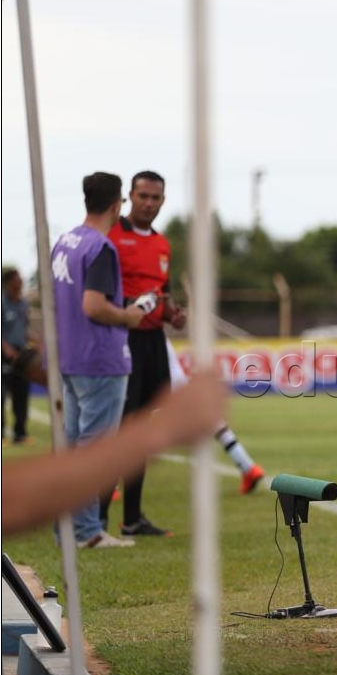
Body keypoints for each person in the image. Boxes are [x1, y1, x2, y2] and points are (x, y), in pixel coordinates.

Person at [51, 171, 148, 549]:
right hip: (99, 359)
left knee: (73, 444)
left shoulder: (66, 241)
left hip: (71, 357)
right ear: (116, 204)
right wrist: (129, 316)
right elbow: (93, 305)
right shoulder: (100, 247)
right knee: (94, 449)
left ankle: (67, 528)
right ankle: (88, 531)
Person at [2, 372, 226, 536]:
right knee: (86, 433)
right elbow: (10, 500)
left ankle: (90, 524)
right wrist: (158, 433)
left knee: (77, 432)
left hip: (94, 362)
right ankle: (89, 526)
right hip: (99, 364)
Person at [100, 170, 185, 537]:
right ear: (129, 197)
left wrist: (174, 313)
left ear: (163, 201)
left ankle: (132, 519)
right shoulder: (110, 237)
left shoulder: (163, 244)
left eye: (156, 198)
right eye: (143, 196)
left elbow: (162, 296)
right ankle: (96, 520)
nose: (149, 203)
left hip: (153, 344)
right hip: (122, 340)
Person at [165, 338, 264, 493]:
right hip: (166, 361)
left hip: (147, 360)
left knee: (126, 416)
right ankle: (248, 467)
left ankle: (113, 484)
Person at [1, 268, 33, 444]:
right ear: (8, 282)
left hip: (21, 355)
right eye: (17, 277)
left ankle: (20, 434)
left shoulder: (23, 305)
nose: (21, 280)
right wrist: (5, 348)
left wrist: (42, 342)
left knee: (21, 394)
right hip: (2, 355)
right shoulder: (0, 303)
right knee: (0, 395)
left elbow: (25, 330)